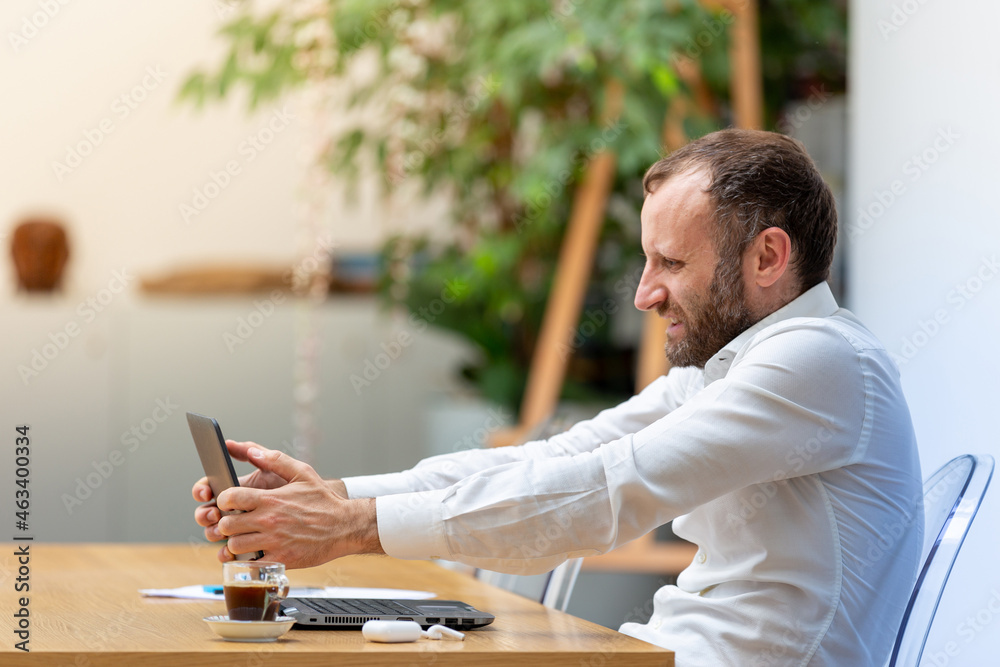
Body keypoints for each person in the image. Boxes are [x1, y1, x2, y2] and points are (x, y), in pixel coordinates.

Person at [193, 128, 923, 665]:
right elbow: (566, 455)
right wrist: (332, 496)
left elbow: (606, 490)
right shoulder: (734, 367)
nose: (645, 293)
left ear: (768, 256)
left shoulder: (818, 361)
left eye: (671, 262)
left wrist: (350, 526)